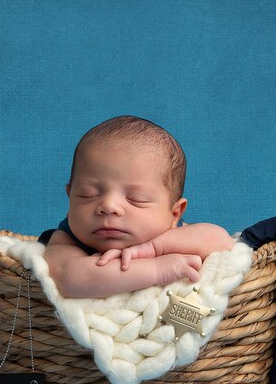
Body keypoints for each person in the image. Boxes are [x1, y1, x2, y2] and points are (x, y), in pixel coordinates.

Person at [39, 115, 234, 298]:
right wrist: (156, 269)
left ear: (175, 213)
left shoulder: (171, 234)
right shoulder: (66, 239)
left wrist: (153, 249)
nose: (108, 206)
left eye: (136, 198)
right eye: (87, 195)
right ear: (70, 197)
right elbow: (70, 279)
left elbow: (223, 242)